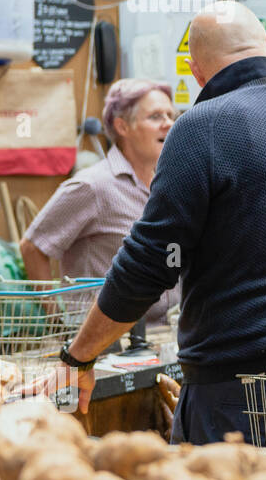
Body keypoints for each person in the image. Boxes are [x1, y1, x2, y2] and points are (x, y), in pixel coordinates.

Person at [34, 2, 266, 445]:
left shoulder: (201, 128)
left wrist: (78, 358)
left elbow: (147, 265)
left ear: (196, 74)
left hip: (235, 398)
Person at [20, 80, 180, 330]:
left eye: (171, 115)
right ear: (122, 126)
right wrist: (58, 323)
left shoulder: (171, 184)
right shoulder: (92, 186)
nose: (169, 123)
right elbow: (33, 247)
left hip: (165, 335)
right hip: (105, 343)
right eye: (156, 116)